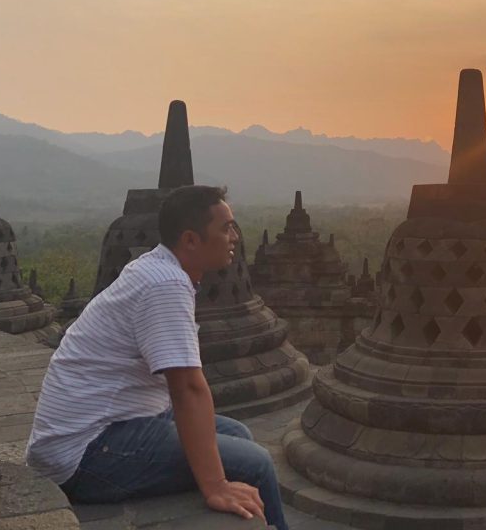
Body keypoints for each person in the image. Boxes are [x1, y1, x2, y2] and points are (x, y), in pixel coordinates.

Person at [26, 185, 289, 529]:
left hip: (109, 425)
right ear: (191, 240)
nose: (234, 237)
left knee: (237, 434)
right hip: (86, 451)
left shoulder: (157, 268)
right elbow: (188, 390)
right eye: (225, 228)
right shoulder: (164, 284)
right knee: (255, 462)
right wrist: (215, 486)